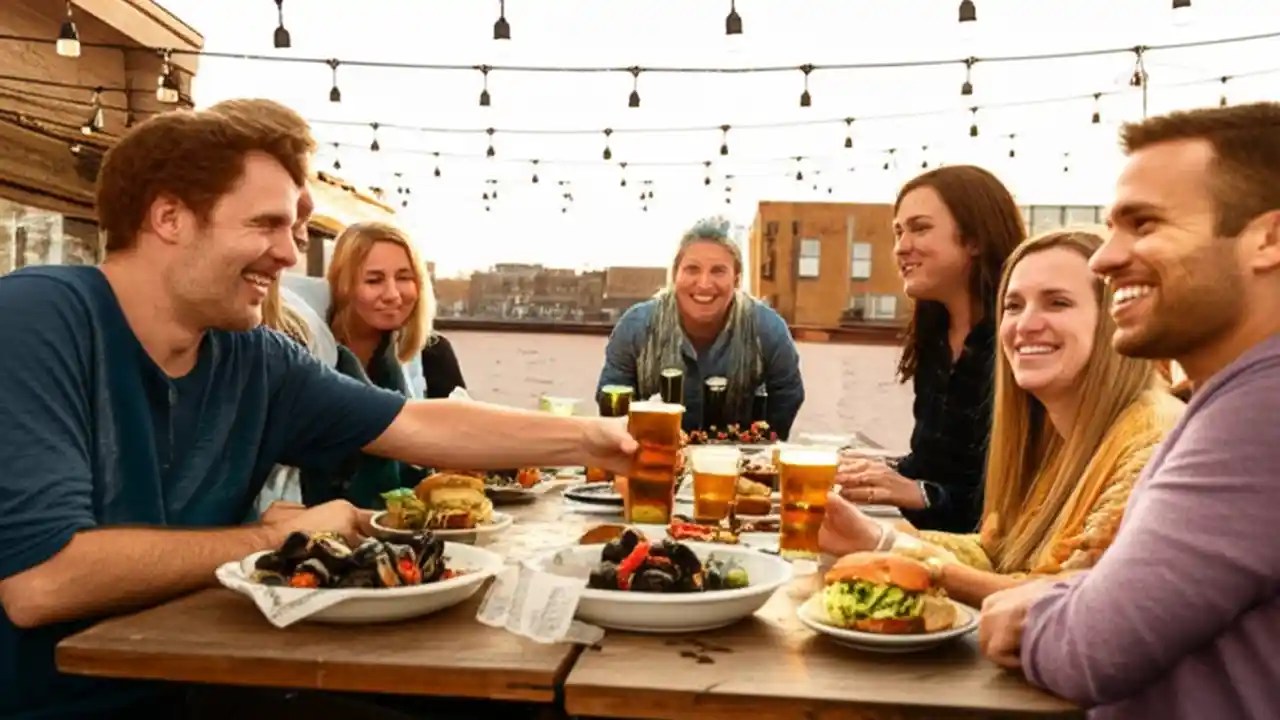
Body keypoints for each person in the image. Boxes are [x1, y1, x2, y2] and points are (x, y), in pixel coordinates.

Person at [0, 99, 634, 719]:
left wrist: (591, 439)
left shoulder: (255, 357)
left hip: (197, 676)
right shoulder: (37, 319)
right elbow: (42, 582)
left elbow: (414, 422)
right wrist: (275, 537)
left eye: (292, 229)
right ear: (169, 217)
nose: (288, 253)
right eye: (265, 225)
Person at [979, 102, 1280, 719]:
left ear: (1269, 240)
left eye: (1144, 225)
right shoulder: (1233, 397)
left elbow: (1096, 647)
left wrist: (1036, 610)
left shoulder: (1260, 413)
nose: (1104, 259)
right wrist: (1073, 594)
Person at [818, 230, 1184, 607]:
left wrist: (890, 548)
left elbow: (1074, 599)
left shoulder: (1154, 438)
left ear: (1113, 320)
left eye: (1057, 302)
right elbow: (994, 553)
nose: (1025, 324)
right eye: (1013, 305)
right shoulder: (1049, 430)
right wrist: (870, 535)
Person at [838, 166, 1024, 532]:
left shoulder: (1019, 341)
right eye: (898, 231)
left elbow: (1016, 502)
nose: (900, 247)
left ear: (975, 239)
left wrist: (917, 492)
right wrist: (875, 470)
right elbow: (933, 468)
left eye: (919, 228)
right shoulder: (936, 339)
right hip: (934, 549)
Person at [597, 216, 805, 438]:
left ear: (736, 280)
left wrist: (759, 451)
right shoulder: (635, 327)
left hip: (736, 464)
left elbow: (788, 395)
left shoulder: (768, 329)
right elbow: (610, 399)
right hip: (654, 460)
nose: (704, 283)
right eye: (692, 269)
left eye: (718, 271)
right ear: (675, 275)